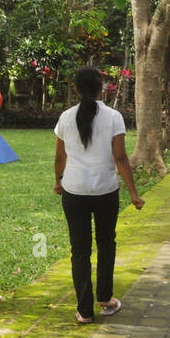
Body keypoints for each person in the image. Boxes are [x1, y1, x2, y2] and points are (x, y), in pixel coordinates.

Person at [54, 66, 144, 324]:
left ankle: (84, 311)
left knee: (79, 250)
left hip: (74, 191)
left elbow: (60, 156)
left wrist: (58, 181)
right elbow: (120, 157)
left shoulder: (65, 117)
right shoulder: (113, 117)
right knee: (106, 243)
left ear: (76, 89)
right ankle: (105, 299)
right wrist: (134, 194)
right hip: (106, 191)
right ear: (101, 87)